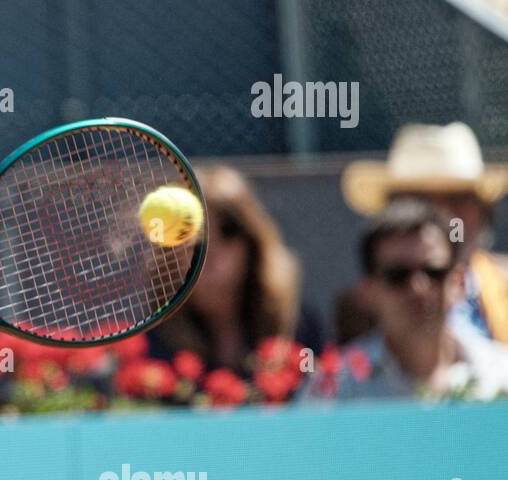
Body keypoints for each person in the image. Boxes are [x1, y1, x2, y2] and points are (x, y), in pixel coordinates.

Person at [302, 200, 508, 401]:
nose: (418, 287)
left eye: (434, 272)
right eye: (398, 276)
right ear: (367, 291)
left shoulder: (500, 375)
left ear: (459, 283)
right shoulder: (333, 388)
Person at [338, 122, 508, 344]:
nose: (443, 215)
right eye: (422, 202)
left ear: (483, 210)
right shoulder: (361, 310)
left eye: (457, 199)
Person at [147, 165, 320, 373]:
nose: (211, 250)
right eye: (192, 235)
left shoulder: (299, 326)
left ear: (253, 242)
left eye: (229, 229)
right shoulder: (148, 347)